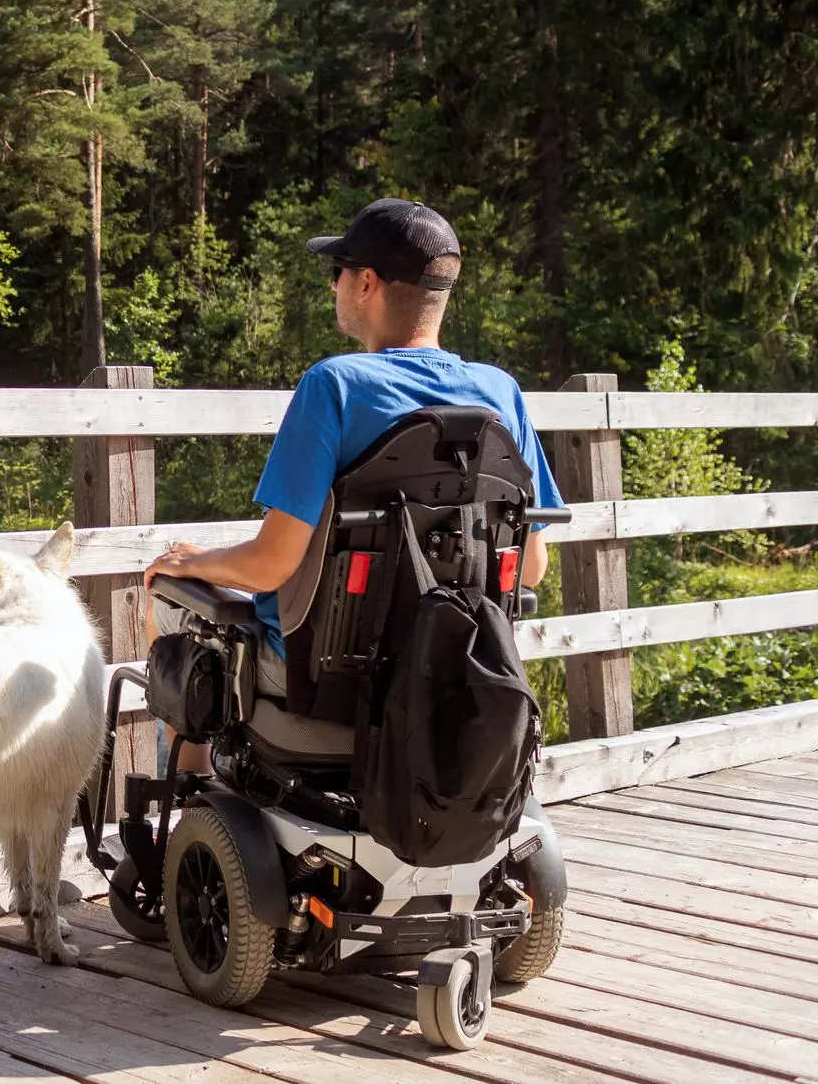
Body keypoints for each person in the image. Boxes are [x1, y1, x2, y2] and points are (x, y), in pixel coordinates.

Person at [142, 198, 565, 767]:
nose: (332, 286)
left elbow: (271, 565)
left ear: (366, 283)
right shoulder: (499, 394)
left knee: (164, 600)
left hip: (320, 681)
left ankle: (193, 806)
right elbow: (531, 568)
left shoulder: (334, 386)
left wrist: (191, 563)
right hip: (453, 673)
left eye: (335, 272)